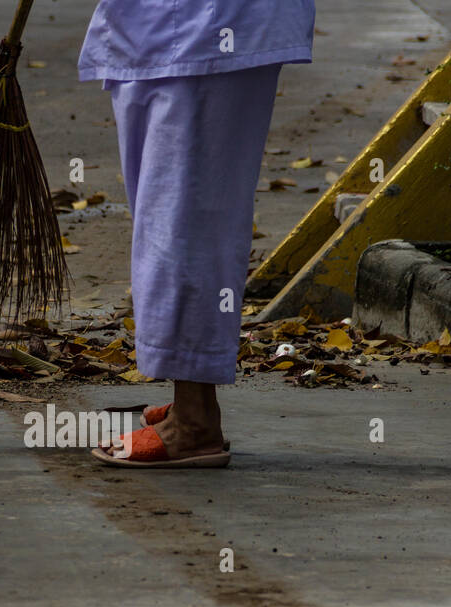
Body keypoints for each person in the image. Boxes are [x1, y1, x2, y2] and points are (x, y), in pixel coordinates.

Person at [79, 0, 317, 467]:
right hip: (159, 30)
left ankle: (194, 423)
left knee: (185, 225)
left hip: (206, 27)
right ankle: (191, 400)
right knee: (163, 216)